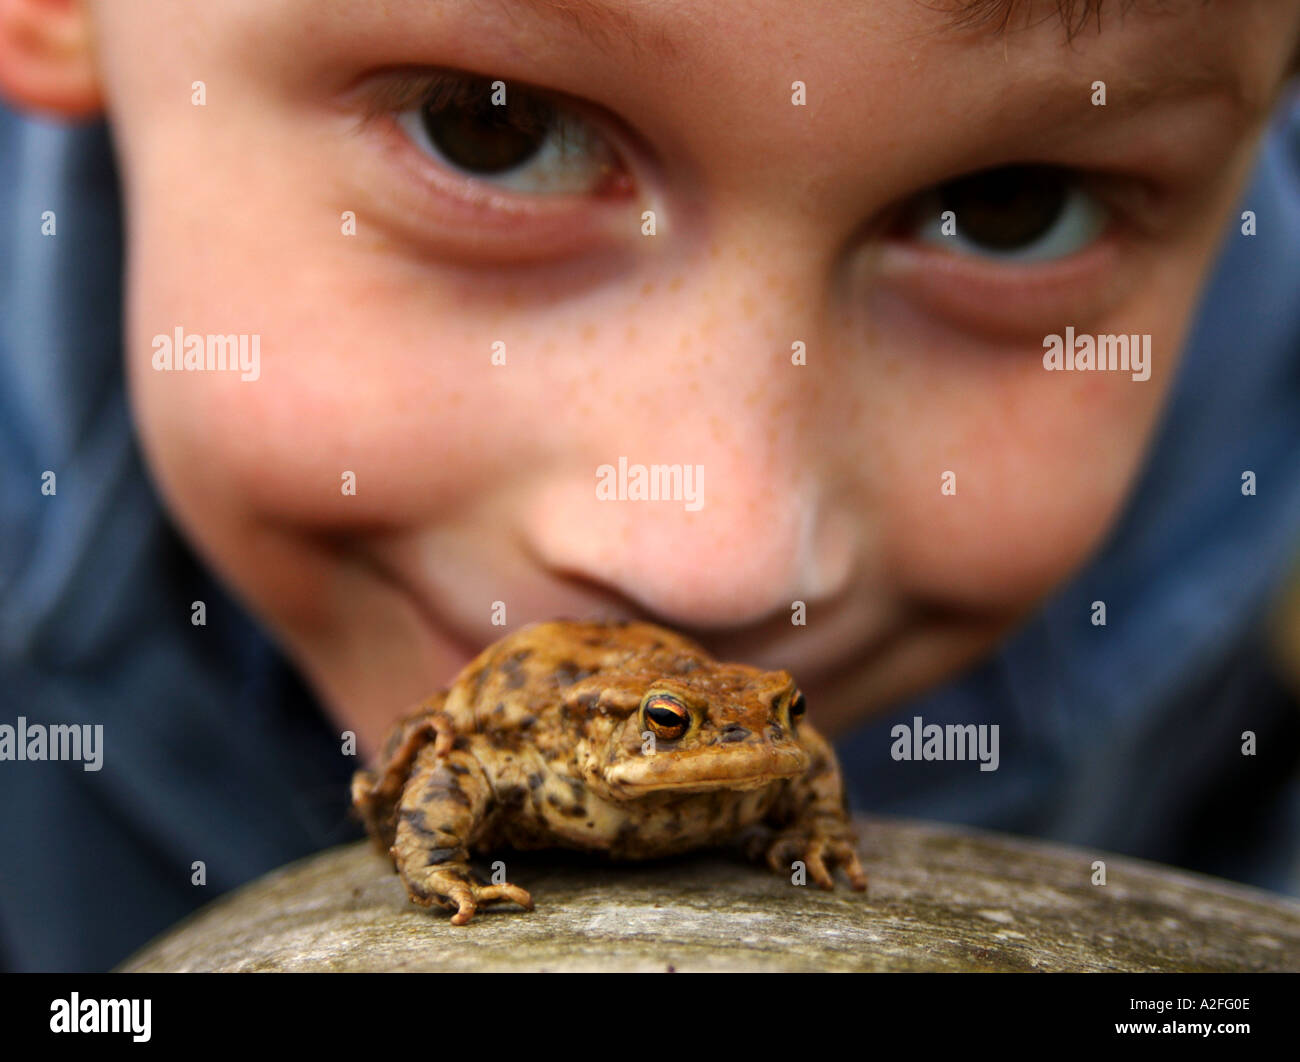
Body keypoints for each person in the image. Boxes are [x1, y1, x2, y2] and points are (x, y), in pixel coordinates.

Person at [2, 0, 1298, 971]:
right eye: (492, 124)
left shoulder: (1239, 522)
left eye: (1011, 205)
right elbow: (451, 770)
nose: (717, 557)